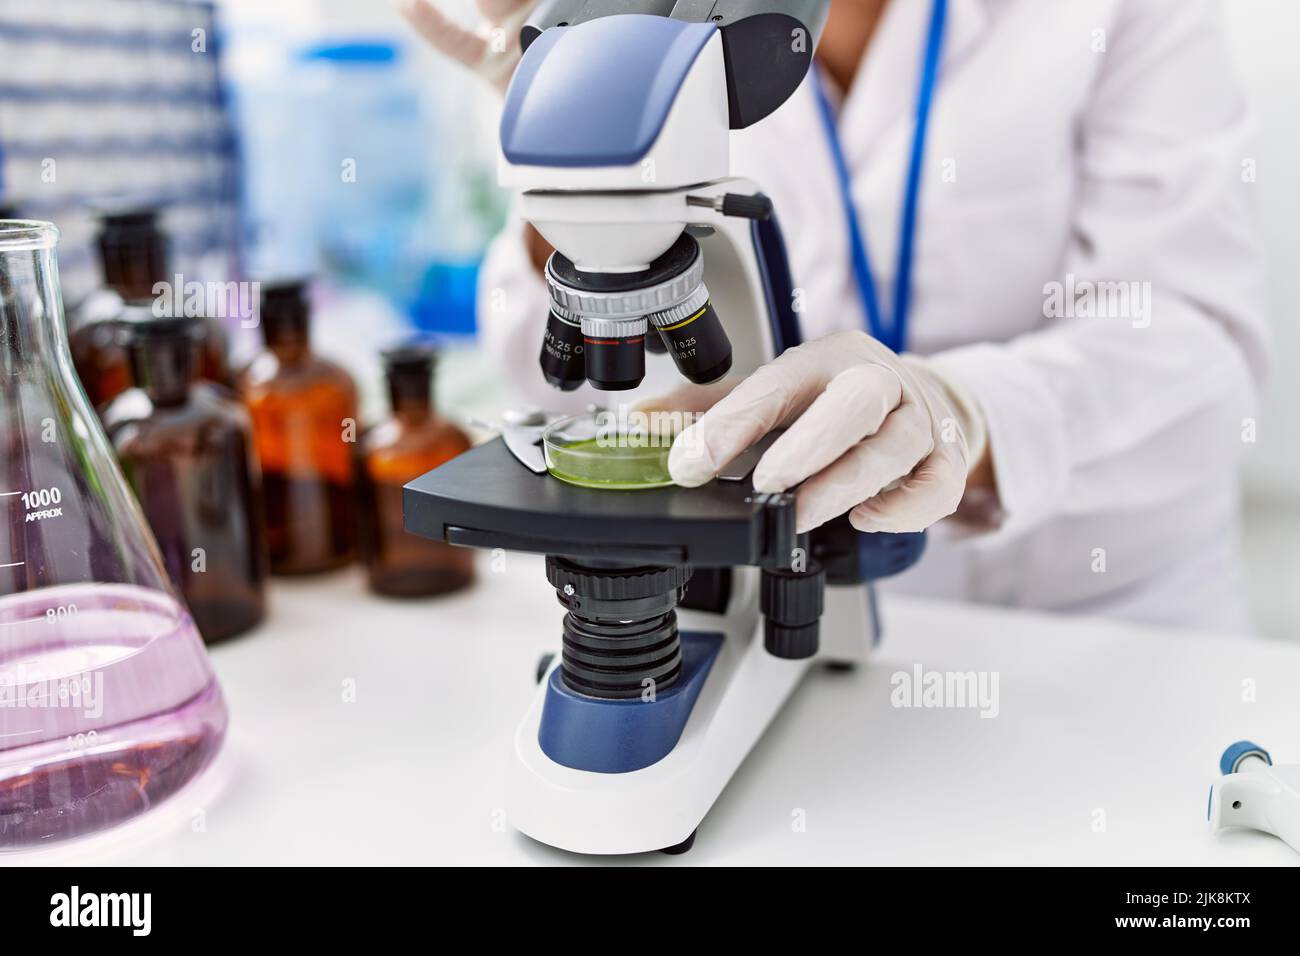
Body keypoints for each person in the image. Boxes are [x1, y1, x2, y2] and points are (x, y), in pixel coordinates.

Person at [401, 0, 1268, 631]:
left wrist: (959, 412)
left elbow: (1199, 352)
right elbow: (557, 379)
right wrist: (573, 175)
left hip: (1099, 620)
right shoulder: (634, 18)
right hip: (779, 605)